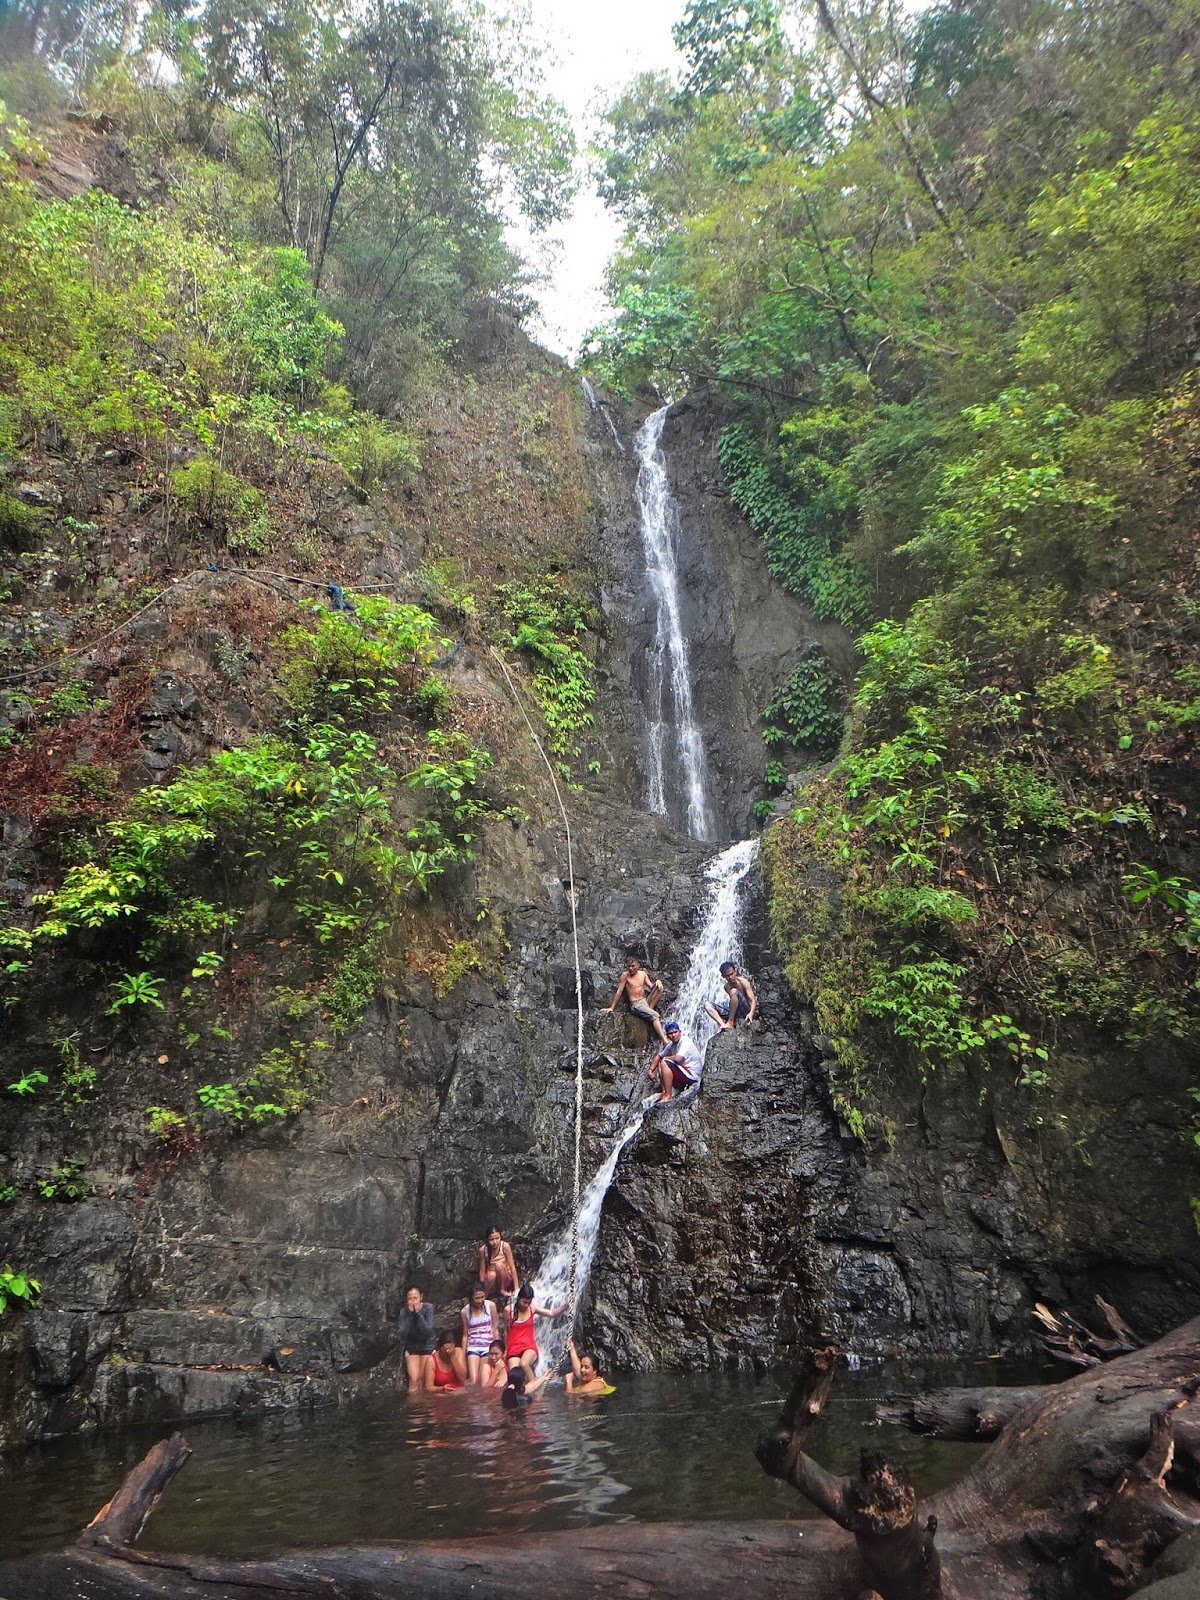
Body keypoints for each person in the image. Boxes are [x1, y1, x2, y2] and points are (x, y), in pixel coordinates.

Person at [504, 1282, 569, 1376]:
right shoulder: (508, 1310)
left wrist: (565, 1305)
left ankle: (535, 1388)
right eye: (524, 1302)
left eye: (529, 1302)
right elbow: (506, 1331)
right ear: (518, 1298)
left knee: (524, 1364)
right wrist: (506, 1349)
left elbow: (551, 1313)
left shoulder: (532, 1308)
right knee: (514, 1374)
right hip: (513, 1348)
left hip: (528, 1347)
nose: (526, 1305)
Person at [603, 956, 669, 1045]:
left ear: (638, 966)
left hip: (645, 1001)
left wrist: (657, 982)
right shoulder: (625, 975)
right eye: (628, 966)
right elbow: (619, 991)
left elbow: (651, 986)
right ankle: (665, 1041)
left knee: (659, 988)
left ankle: (650, 1009)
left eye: (633, 966)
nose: (630, 968)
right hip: (636, 1004)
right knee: (655, 1016)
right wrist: (612, 1007)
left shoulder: (643, 974)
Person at [648, 1019, 703, 1103]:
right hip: (685, 1073)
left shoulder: (685, 1041)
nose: (673, 1035)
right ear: (667, 1036)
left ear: (680, 1032)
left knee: (665, 1062)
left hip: (694, 1075)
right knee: (661, 1061)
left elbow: (678, 1059)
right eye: (670, 1033)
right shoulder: (671, 1045)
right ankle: (665, 1092)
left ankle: (668, 1096)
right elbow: (659, 1056)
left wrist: (666, 1059)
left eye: (675, 1032)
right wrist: (651, 1070)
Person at [397, 1286, 436, 1389]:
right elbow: (402, 1333)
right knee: (414, 1380)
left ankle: (425, 1403)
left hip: (427, 1345)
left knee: (424, 1379)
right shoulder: (404, 1312)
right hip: (412, 1347)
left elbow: (428, 1330)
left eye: (415, 1298)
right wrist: (410, 1315)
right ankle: (413, 1403)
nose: (413, 1301)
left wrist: (418, 1314)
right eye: (410, 1299)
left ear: (421, 1297)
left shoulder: (428, 1308)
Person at [461, 1283, 500, 1385]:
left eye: (482, 1297)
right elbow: (465, 1334)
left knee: (481, 1379)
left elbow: (495, 1328)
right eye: (477, 1298)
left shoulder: (491, 1306)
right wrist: (462, 1353)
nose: (480, 1300)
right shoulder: (465, 1311)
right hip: (473, 1347)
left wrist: (499, 1348)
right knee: (473, 1380)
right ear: (471, 1298)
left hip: (488, 1347)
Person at [703, 961, 757, 1031]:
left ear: (735, 972)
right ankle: (723, 1024)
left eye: (732, 974)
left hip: (745, 1010)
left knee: (733, 991)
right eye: (727, 976)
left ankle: (730, 1022)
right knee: (707, 1005)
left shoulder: (743, 982)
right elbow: (733, 1001)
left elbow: (752, 1000)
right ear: (723, 976)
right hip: (735, 1013)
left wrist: (751, 1013)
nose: (730, 977)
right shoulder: (726, 987)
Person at [477, 1226, 518, 1301]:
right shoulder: (483, 1250)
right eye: (491, 1239)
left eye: (497, 1238)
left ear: (500, 1237)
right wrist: (481, 1288)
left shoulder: (505, 1246)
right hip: (491, 1279)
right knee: (492, 1275)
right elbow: (482, 1271)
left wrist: (516, 1288)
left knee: (499, 1265)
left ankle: (503, 1290)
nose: (495, 1242)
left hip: (505, 1277)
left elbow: (512, 1267)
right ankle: (487, 1294)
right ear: (487, 1239)